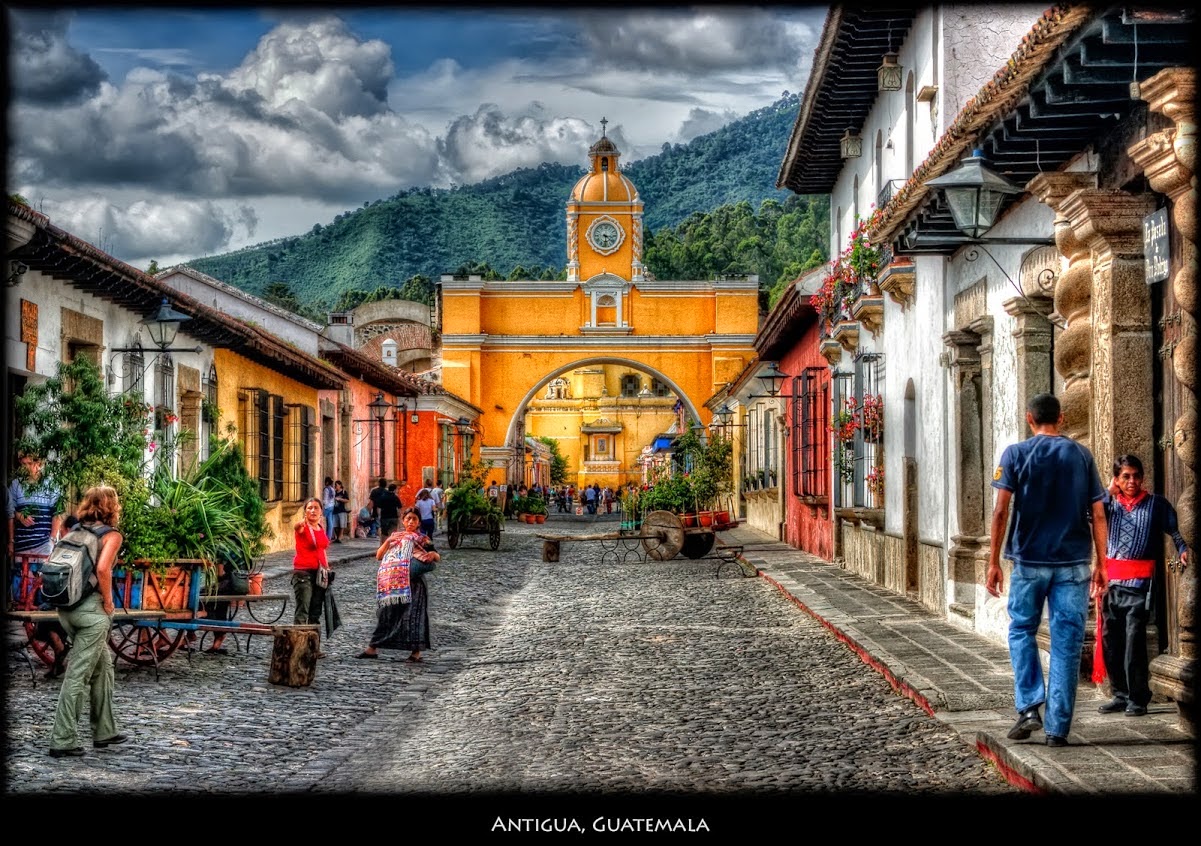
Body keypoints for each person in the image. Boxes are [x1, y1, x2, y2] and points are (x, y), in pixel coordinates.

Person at [986, 392, 1108, 748]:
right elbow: (1098, 513)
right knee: (1067, 643)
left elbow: (1000, 511)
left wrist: (993, 561)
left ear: (1029, 418)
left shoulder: (1015, 455)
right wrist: (1101, 562)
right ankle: (1058, 729)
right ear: (1062, 418)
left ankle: (1028, 706)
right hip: (1073, 563)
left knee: (1022, 630)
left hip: (1028, 561)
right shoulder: (1082, 456)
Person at [1095, 454, 1189, 717]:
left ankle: (1138, 698)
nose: (1132, 481)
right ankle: (1120, 694)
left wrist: (1182, 548)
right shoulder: (1109, 506)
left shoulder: (1155, 504)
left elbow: (1176, 529)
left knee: (1134, 641)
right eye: (1125, 476)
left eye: (1136, 475)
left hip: (1140, 585)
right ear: (1116, 479)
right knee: (1111, 640)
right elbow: (1086, 512)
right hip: (1112, 584)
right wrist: (1108, 492)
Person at [48, 485, 126, 758]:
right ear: (111, 507)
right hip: (92, 614)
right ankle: (62, 739)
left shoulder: (76, 530)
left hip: (66, 609)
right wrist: (108, 602)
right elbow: (103, 569)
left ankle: (105, 730)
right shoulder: (111, 535)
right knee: (77, 676)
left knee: (103, 667)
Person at [8, 450, 68, 675]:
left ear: (41, 463)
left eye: (34, 463)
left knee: (41, 586)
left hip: (43, 542)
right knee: (22, 583)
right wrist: (19, 520)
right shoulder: (16, 485)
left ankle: (46, 624)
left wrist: (53, 539)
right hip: (24, 542)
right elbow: (11, 510)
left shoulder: (52, 483)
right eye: (26, 463)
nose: (30, 467)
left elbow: (57, 512)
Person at [356, 507, 439, 662]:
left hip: (415, 585)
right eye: (408, 518)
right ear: (403, 520)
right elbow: (379, 556)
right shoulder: (395, 538)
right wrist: (387, 542)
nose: (411, 522)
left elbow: (436, 557)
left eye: (414, 519)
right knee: (386, 614)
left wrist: (433, 555)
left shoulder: (423, 539)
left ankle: (416, 653)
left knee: (414, 617)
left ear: (419, 522)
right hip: (394, 585)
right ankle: (372, 648)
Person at [291, 498, 330, 650]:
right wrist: (300, 523)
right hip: (303, 573)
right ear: (305, 511)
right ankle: (298, 647)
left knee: (315, 611)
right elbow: (296, 527)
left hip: (319, 574)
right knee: (303, 609)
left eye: (316, 508)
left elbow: (322, 550)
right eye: (309, 508)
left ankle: (313, 648)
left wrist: (327, 568)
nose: (313, 511)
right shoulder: (303, 527)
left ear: (321, 511)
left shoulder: (320, 527)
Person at [321, 477, 336, 542]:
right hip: (332, 506)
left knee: (322, 520)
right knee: (330, 522)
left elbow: (325, 499)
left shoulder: (326, 489)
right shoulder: (333, 489)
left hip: (327, 507)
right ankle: (328, 537)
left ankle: (322, 536)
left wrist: (323, 506)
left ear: (327, 482)